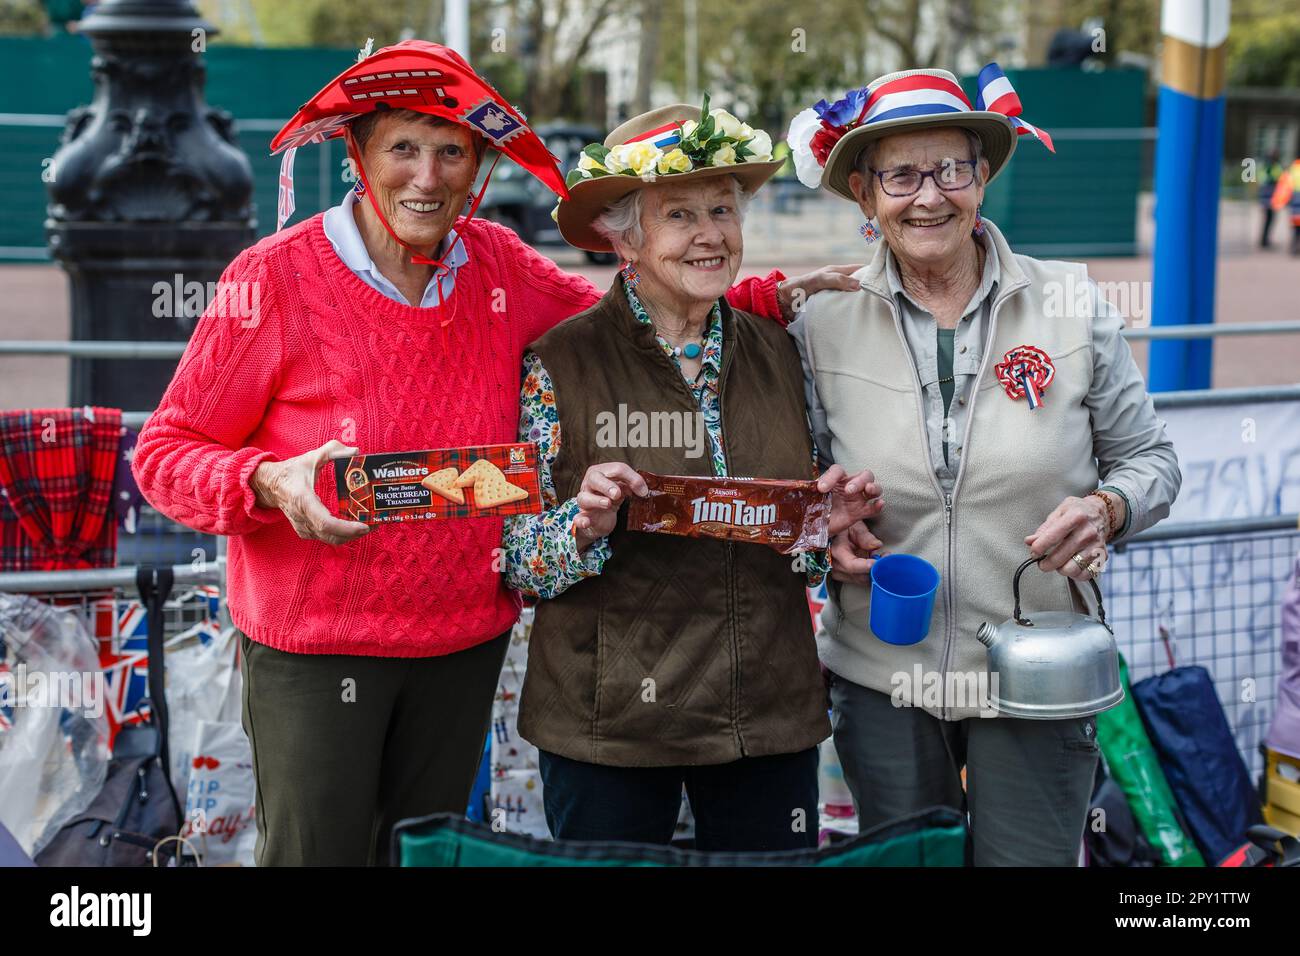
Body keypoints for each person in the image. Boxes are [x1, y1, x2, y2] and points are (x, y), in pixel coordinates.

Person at [130, 41, 856, 866]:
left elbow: (632, 313)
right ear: (358, 155)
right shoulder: (275, 279)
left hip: (460, 642)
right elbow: (165, 451)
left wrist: (753, 299)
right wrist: (265, 478)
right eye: (403, 147)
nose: (427, 176)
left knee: (429, 855)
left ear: (477, 165)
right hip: (321, 644)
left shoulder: (500, 266)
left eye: (452, 151)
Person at [785, 66, 1182, 865]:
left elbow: (1152, 461)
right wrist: (819, 523)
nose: (929, 196)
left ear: (983, 179)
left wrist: (1108, 507)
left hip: (1041, 670)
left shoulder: (1070, 300)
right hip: (884, 676)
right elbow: (803, 483)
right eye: (901, 174)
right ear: (864, 195)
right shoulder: (820, 321)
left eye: (951, 170)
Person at [504, 103, 881, 851]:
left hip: (763, 715)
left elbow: (780, 532)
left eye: (722, 210)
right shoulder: (560, 362)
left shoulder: (778, 350)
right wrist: (582, 526)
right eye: (680, 215)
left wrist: (819, 523)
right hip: (610, 725)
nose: (711, 234)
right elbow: (519, 561)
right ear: (626, 240)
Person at [1270, 155, 1300, 256]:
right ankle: (1295, 247)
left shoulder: (1292, 170)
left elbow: (1283, 186)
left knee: (1295, 226)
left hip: (1294, 202)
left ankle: (1293, 247)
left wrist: (1279, 201)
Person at [1259, 149, 1285, 249]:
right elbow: (1276, 179)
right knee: (1269, 220)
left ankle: (1264, 240)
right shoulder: (1272, 167)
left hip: (1268, 198)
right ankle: (1264, 241)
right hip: (1270, 199)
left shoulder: (1266, 166)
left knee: (1268, 220)